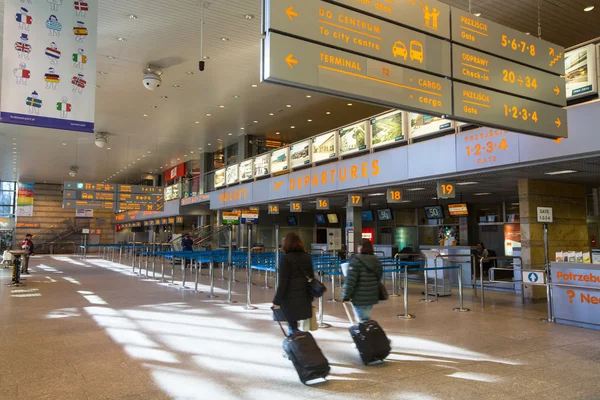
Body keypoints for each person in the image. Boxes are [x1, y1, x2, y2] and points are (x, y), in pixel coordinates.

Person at [273, 232, 315, 335]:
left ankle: (296, 346)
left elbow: (283, 282)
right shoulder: (307, 257)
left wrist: (277, 300)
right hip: (304, 295)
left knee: (292, 325)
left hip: (290, 298)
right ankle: (298, 344)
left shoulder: (286, 258)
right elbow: (311, 277)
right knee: (295, 324)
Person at [342, 239, 383, 323]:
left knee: (363, 321)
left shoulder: (356, 261)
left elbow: (350, 281)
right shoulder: (376, 261)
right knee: (365, 317)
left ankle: (369, 334)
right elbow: (378, 277)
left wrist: (345, 296)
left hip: (359, 297)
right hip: (372, 295)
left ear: (360, 247)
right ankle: (369, 332)